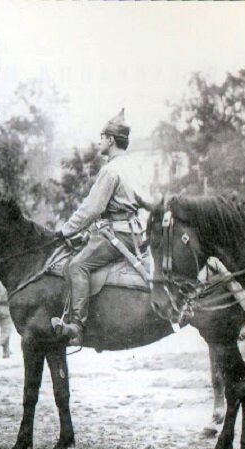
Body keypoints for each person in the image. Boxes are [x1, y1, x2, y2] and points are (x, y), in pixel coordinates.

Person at [51, 108, 158, 345]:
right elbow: (148, 201)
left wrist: (64, 232)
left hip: (116, 235)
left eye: (101, 137)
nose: (99, 141)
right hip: (134, 234)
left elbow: (91, 209)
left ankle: (77, 326)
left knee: (77, 265)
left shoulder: (110, 170)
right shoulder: (133, 166)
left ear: (110, 140)